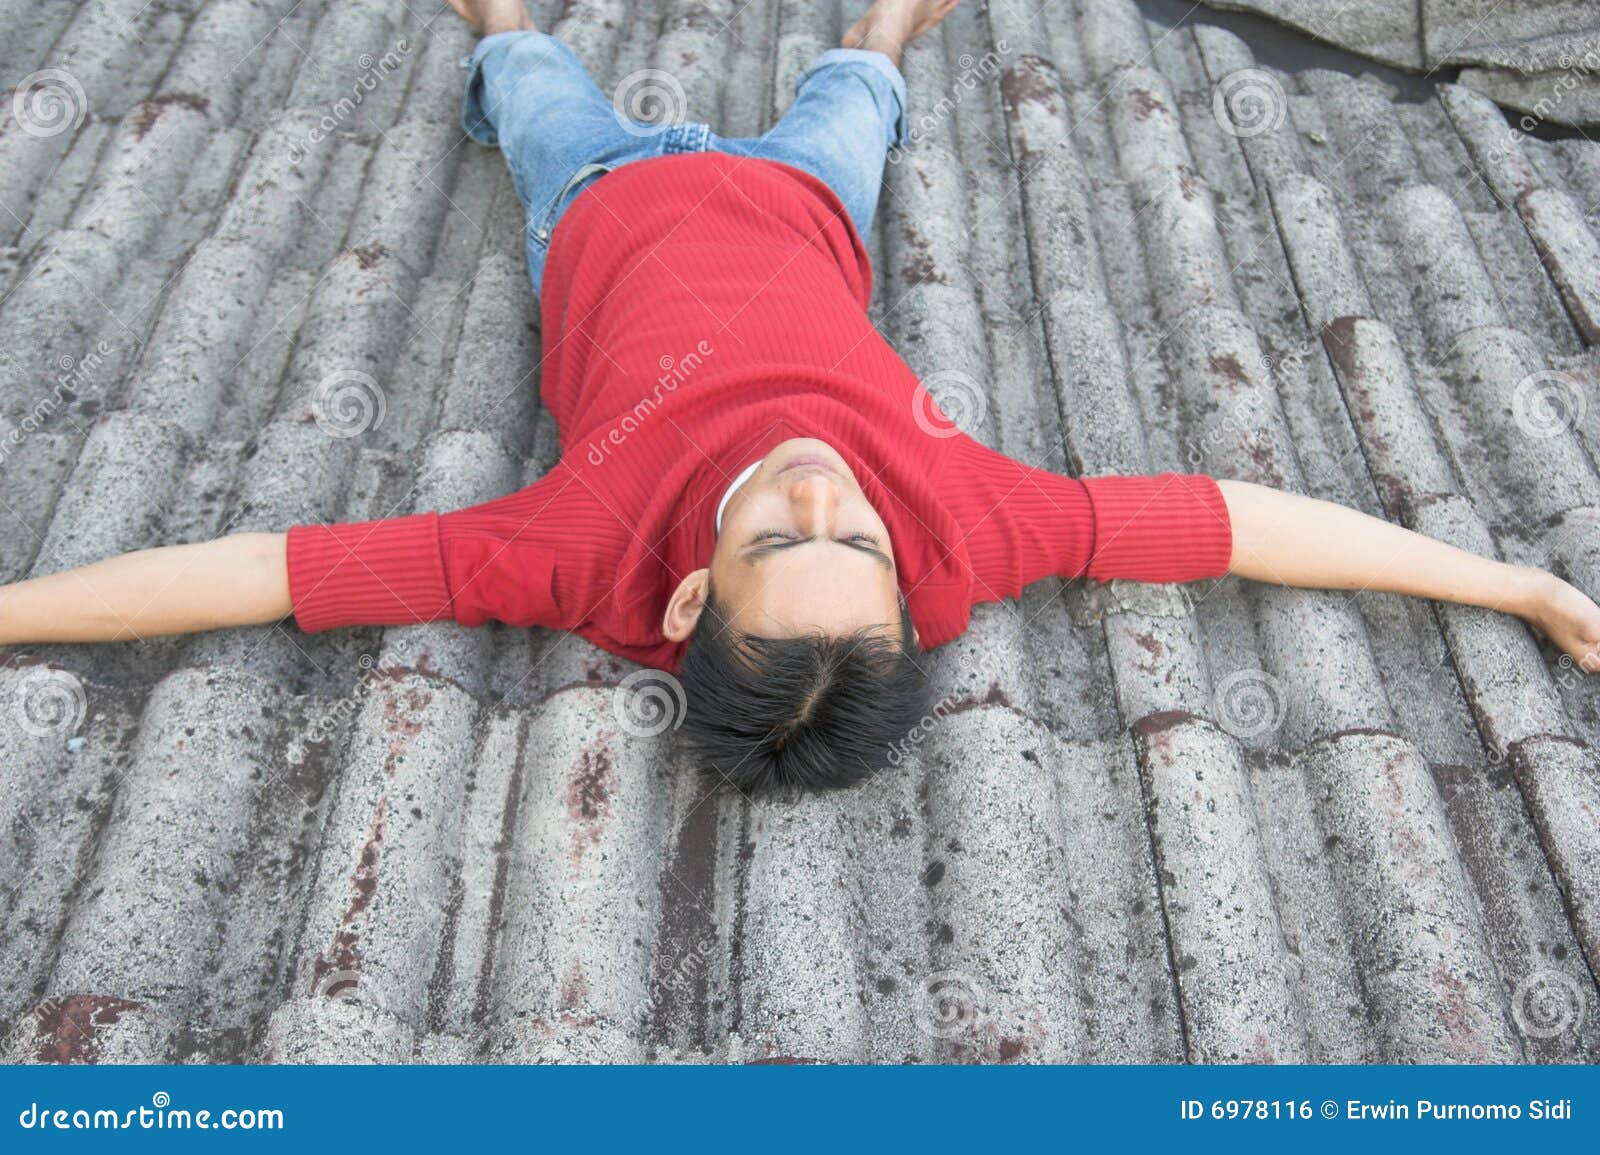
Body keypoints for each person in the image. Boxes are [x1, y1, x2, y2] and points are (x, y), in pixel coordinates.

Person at [3, 0, 1597, 791]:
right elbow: (1244, 524)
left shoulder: (573, 550)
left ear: (693, 586)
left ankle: (495, 24)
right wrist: (1508, 577)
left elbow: (261, 577)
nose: (828, 489)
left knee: (525, 76)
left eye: (785, 536)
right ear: (919, 588)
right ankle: (884, 25)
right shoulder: (973, 528)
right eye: (861, 543)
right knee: (861, 96)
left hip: (602, 199)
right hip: (800, 202)